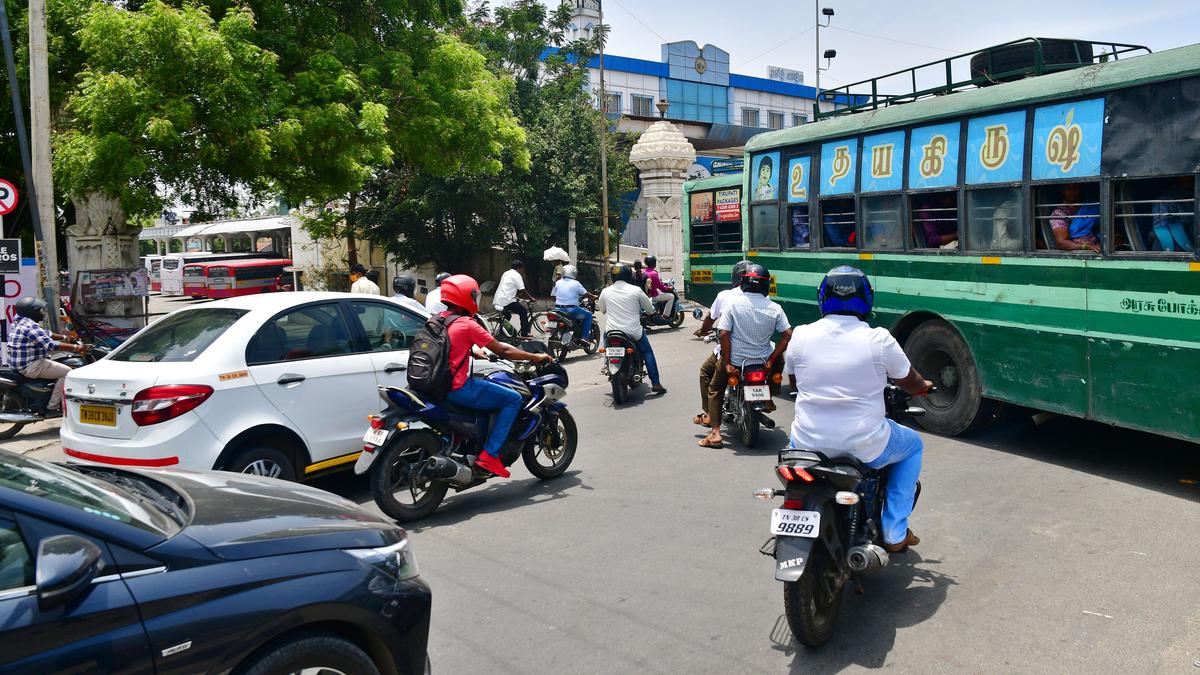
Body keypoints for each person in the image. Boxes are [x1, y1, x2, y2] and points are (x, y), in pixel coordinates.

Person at [785, 266, 933, 553]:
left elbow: (796, 382)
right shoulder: (879, 339)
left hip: (806, 443)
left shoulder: (800, 336)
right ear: (867, 300)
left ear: (822, 297)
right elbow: (910, 382)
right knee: (913, 445)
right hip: (864, 445)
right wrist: (923, 384)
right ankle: (893, 532)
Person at [439, 275, 553, 478]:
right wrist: (534, 356)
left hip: (438, 385)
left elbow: (447, 349)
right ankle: (490, 455)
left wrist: (472, 352)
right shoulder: (466, 324)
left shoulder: (438, 319)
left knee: (487, 392)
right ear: (467, 297)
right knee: (513, 398)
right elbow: (504, 351)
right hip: (457, 387)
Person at [702, 264, 792, 448]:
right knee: (779, 360)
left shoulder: (733, 305)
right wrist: (771, 359)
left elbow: (724, 334)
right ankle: (768, 397)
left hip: (736, 361)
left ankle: (715, 433)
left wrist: (727, 363)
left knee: (715, 388)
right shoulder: (775, 307)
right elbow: (788, 335)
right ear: (765, 285)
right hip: (762, 362)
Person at [5, 298, 90, 418]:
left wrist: (65, 338)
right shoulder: (29, 325)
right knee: (68, 372)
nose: (41, 312)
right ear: (31, 312)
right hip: (31, 365)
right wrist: (76, 347)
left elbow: (45, 333)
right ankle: (52, 407)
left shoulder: (20, 321)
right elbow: (50, 345)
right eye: (39, 310)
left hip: (22, 364)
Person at [692, 260, 750, 429]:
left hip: (732, 355)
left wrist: (703, 331)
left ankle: (709, 415)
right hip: (760, 353)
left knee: (706, 373)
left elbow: (711, 321)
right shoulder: (764, 297)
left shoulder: (725, 296)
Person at [597, 264, 666, 396]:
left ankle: (606, 364)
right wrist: (652, 313)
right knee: (647, 352)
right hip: (633, 331)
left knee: (605, 343)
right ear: (629, 275)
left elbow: (602, 309)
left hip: (612, 331)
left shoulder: (606, 291)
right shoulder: (636, 290)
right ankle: (656, 383)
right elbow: (649, 308)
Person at [551, 265, 596, 345]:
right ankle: (584, 338)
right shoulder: (576, 283)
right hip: (571, 310)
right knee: (588, 315)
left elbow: (554, 296)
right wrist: (593, 297)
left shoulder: (557, 282)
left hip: (558, 310)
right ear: (574, 273)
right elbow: (585, 294)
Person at [1050, 183, 1100, 252]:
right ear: (1063, 191)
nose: (1073, 191)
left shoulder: (1091, 206)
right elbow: (1061, 243)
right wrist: (1088, 246)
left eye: (1076, 188)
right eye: (1069, 189)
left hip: (1099, 247)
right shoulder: (1059, 213)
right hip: (1080, 252)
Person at [493, 260, 536, 338]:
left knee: (507, 316)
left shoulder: (506, 273)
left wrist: (516, 296)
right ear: (520, 268)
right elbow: (522, 290)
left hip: (498, 299)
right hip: (507, 300)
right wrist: (531, 298)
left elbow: (509, 287)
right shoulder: (517, 275)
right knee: (523, 311)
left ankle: (502, 333)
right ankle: (524, 333)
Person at [1149, 176, 1194, 252]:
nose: (1192, 178)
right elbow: (1161, 230)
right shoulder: (1165, 199)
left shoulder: (1193, 195)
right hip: (1176, 247)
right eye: (1187, 176)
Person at [642, 255, 675, 320]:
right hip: (653, 296)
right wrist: (668, 288)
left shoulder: (643, 271)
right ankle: (665, 315)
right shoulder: (654, 273)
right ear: (653, 263)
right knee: (671, 296)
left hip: (644, 295)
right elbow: (660, 286)